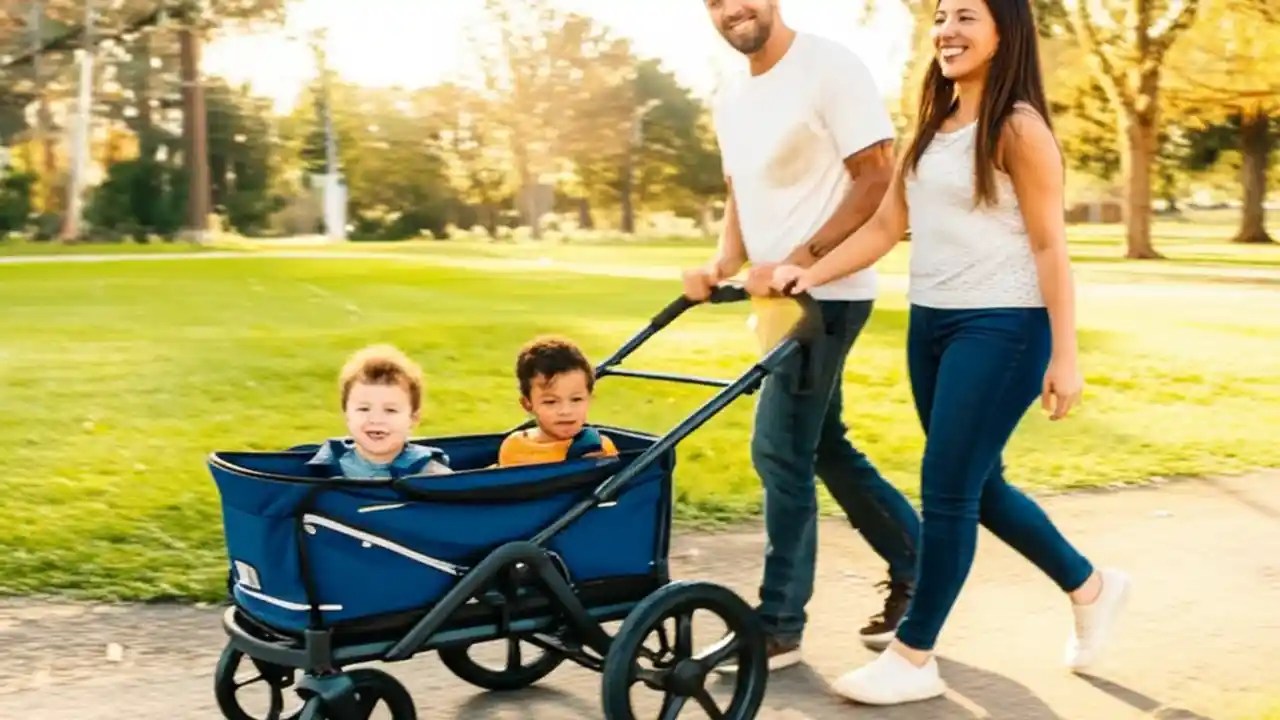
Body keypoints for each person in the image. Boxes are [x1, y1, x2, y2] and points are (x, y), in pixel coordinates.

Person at [770, 0, 1132, 704]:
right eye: (940, 16)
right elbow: (885, 225)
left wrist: (1066, 354)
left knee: (948, 490)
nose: (948, 31)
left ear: (1004, 33)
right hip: (932, 323)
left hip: (1004, 327)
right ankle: (1091, 586)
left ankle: (913, 656)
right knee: (978, 485)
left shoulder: (1020, 129)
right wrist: (808, 272)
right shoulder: (931, 128)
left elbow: (1051, 245)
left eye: (967, 16)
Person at [686, 0, 923, 668]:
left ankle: (779, 623)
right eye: (715, 2)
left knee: (778, 448)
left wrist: (804, 258)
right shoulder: (730, 94)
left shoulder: (829, 67)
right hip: (777, 301)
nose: (734, 9)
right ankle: (919, 565)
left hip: (829, 297)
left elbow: (877, 176)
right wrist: (721, 263)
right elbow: (741, 192)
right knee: (822, 445)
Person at [307, 344, 453, 479]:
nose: (376, 419)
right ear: (346, 414)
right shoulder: (320, 469)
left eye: (390, 410)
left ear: (413, 418)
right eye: (364, 409)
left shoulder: (433, 476)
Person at [498, 335, 620, 467]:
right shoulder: (514, 447)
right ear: (528, 404)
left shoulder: (599, 447)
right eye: (550, 402)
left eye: (576, 399)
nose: (565, 411)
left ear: (589, 399)